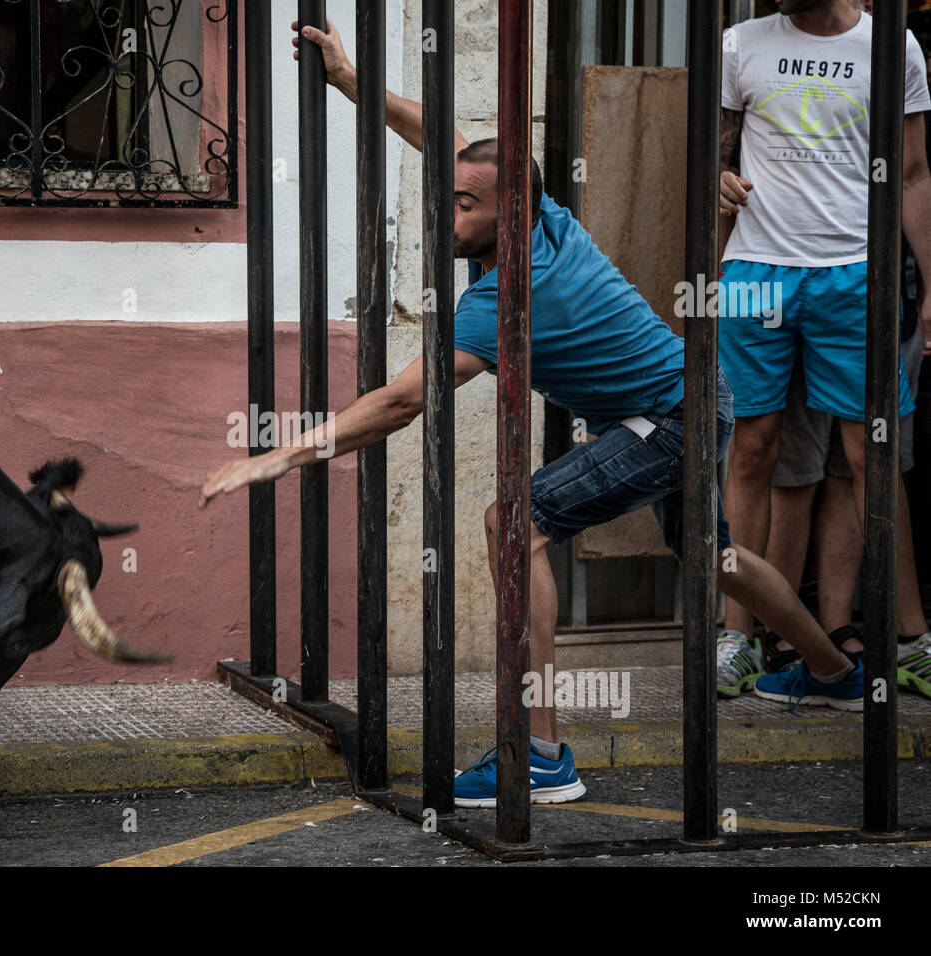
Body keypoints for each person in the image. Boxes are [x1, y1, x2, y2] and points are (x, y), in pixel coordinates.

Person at [200, 18, 861, 809]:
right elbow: (446, 139)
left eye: (464, 208)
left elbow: (403, 401)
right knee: (713, 558)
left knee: (514, 523)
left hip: (673, 414)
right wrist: (347, 80)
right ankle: (837, 674)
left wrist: (277, 455)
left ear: (506, 210)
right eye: (447, 200)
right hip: (685, 398)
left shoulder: (503, 295)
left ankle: (541, 752)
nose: (449, 217)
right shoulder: (541, 212)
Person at [715, 0, 931, 702]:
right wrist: (715, 187)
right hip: (755, 273)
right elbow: (712, 157)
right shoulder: (740, 44)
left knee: (873, 453)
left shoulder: (893, 47)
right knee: (751, 447)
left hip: (856, 272)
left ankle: (911, 639)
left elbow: (914, 174)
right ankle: (736, 637)